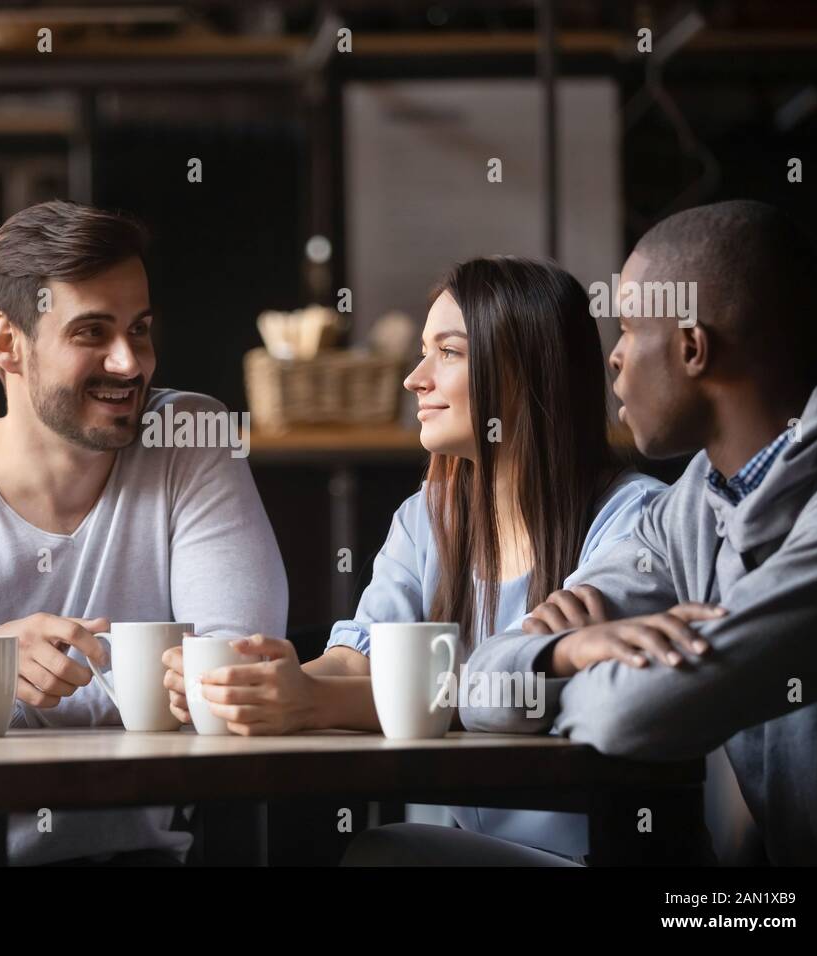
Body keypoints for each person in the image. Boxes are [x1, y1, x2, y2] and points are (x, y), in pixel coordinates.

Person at [162, 256, 664, 863]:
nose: (415, 378)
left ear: (526, 369)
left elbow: (521, 689)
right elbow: (359, 656)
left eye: (448, 353)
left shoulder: (635, 521)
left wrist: (311, 700)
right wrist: (253, 686)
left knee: (384, 855)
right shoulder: (428, 516)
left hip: (601, 852)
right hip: (473, 848)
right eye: (423, 351)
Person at [0, 200, 288, 866]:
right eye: (92, 333)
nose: (129, 363)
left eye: (139, 330)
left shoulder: (188, 438)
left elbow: (234, 673)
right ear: (7, 344)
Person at [463, 199, 817, 866]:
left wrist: (581, 672)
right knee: (394, 852)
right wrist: (569, 653)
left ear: (693, 348)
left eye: (630, 329)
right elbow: (478, 687)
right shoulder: (690, 506)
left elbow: (627, 717)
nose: (614, 359)